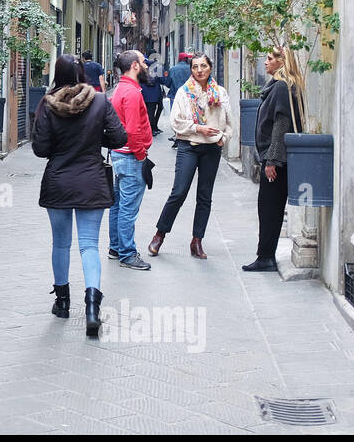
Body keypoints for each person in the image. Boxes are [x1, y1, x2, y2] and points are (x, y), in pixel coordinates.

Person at [33, 55, 127, 336]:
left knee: (61, 244)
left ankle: (62, 302)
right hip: (91, 181)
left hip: (59, 182)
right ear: (82, 73)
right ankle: (92, 308)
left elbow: (40, 148)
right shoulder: (99, 101)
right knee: (89, 245)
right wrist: (97, 139)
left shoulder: (48, 105)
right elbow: (120, 137)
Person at [145, 53, 234, 260]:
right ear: (191, 69)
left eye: (203, 66)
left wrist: (224, 138)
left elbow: (230, 121)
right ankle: (160, 234)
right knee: (179, 192)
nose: (200, 70)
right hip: (188, 146)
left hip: (212, 148)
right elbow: (176, 122)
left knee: (205, 196)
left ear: (210, 68)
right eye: (195, 67)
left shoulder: (219, 93)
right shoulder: (185, 93)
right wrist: (198, 128)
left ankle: (197, 241)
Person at [243, 46, 305, 272]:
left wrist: (271, 160)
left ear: (282, 62)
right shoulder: (283, 86)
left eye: (270, 58)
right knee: (270, 208)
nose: (266, 62)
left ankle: (266, 257)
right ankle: (265, 255)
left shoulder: (281, 87)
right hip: (276, 158)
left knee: (269, 209)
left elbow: (281, 124)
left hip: (276, 161)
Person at [106, 50, 153, 271]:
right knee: (127, 207)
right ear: (135, 65)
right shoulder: (132, 93)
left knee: (118, 204)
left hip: (120, 155)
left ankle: (116, 247)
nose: (146, 65)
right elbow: (133, 130)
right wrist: (141, 154)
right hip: (130, 156)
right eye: (143, 62)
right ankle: (127, 252)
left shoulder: (120, 89)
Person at [165, 52, 193, 148]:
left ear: (178, 59)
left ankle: (178, 137)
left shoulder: (173, 69)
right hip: (189, 96)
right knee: (188, 116)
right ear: (186, 59)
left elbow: (167, 83)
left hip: (175, 96)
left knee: (176, 117)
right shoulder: (191, 69)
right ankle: (186, 138)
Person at [141, 54, 164, 135]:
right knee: (156, 110)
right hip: (155, 93)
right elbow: (162, 80)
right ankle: (152, 128)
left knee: (149, 111)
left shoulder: (142, 67)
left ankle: (151, 128)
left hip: (145, 93)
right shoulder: (157, 67)